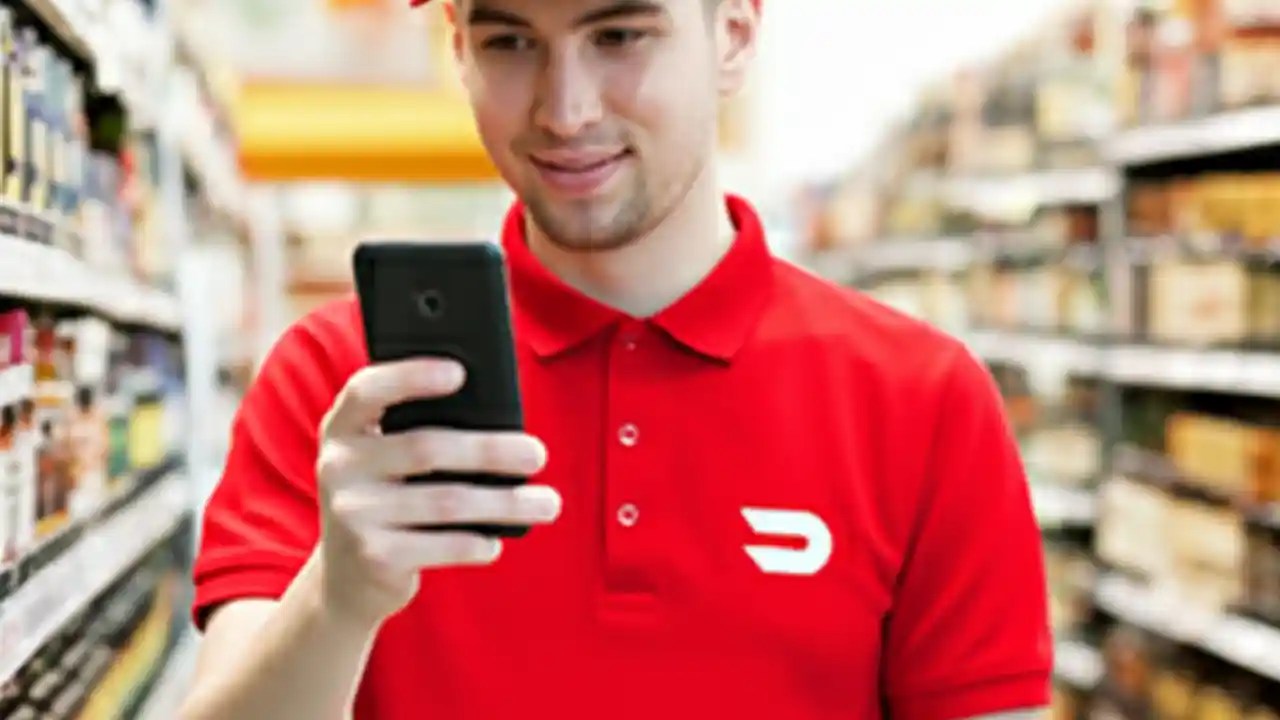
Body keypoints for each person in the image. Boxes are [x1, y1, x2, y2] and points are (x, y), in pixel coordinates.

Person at [179, 1, 1054, 718]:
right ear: (461, 51)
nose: (566, 110)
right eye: (510, 41)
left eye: (619, 36)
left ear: (734, 36)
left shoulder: (922, 399)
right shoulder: (339, 385)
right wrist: (338, 601)